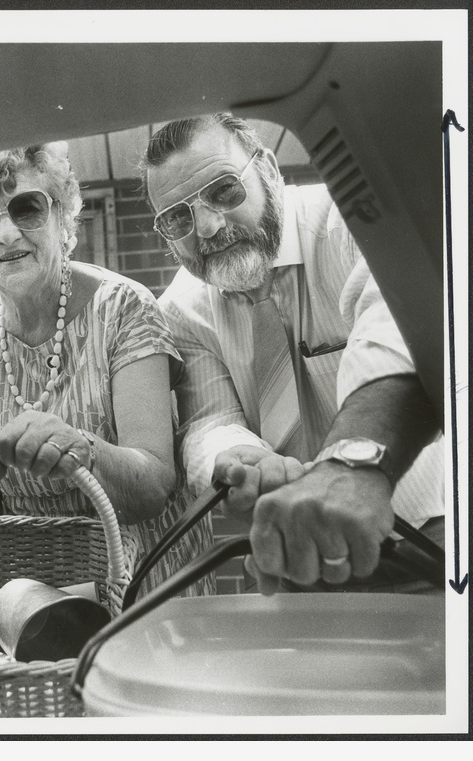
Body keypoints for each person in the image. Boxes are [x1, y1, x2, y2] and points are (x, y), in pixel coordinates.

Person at [144, 113, 444, 594]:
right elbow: (208, 419)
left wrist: (351, 464)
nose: (206, 227)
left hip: (435, 535)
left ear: (266, 170)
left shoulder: (349, 225)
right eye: (176, 218)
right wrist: (236, 456)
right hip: (303, 561)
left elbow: (406, 333)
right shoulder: (179, 308)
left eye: (223, 191)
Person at [0, 142, 212, 598]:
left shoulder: (124, 309)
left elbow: (154, 485)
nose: (5, 234)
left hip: (148, 591)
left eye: (27, 209)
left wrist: (80, 449)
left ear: (63, 220)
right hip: (39, 605)